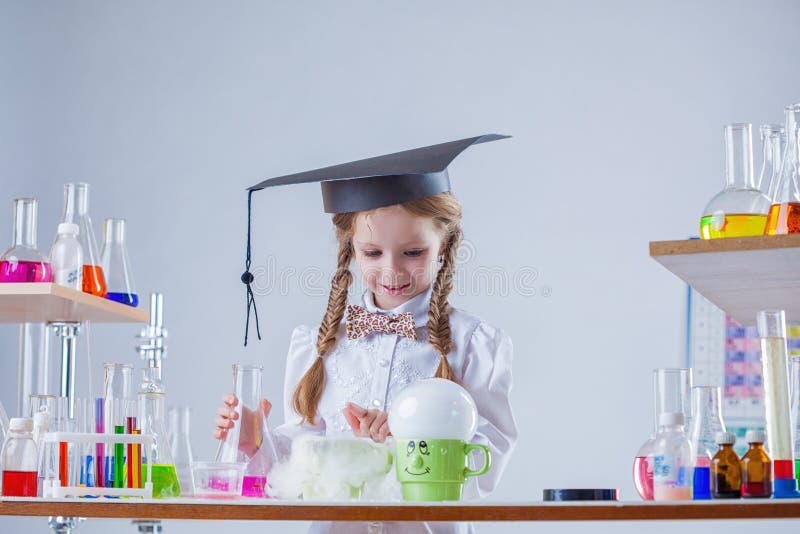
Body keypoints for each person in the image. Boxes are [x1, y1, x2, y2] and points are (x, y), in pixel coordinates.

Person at [215, 135, 518, 533]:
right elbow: (303, 465)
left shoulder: (475, 344)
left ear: (442, 245)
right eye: (372, 253)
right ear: (351, 249)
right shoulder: (321, 346)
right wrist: (257, 442)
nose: (391, 271)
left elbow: (488, 462)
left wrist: (412, 435)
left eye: (413, 252)